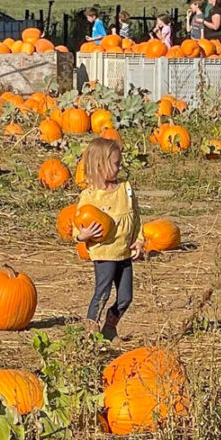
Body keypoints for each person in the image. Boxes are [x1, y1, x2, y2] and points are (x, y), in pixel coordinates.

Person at [75, 137, 144, 341]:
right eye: (115, 163)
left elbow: (137, 217)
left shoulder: (126, 189)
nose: (119, 167)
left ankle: (109, 327)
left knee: (125, 297)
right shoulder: (89, 196)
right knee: (102, 293)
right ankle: (90, 332)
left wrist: (139, 240)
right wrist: (82, 236)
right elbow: (77, 225)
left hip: (124, 252)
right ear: (100, 165)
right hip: (104, 254)